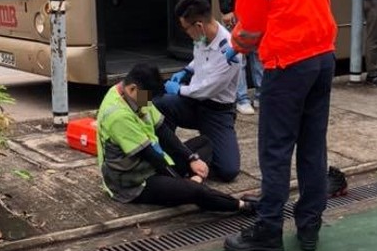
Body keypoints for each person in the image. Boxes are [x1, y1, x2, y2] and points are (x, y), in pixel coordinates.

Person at [222, 0, 337, 251]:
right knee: (312, 145)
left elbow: (251, 24)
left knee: (276, 148)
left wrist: (235, 45)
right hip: (323, 57)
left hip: (287, 62)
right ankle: (309, 227)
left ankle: (269, 230)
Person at [97, 63, 257, 213]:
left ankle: (190, 180)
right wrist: (183, 184)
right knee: (196, 191)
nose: (149, 103)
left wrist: (191, 158)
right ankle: (243, 205)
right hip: (134, 182)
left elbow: (163, 132)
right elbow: (152, 157)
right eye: (148, 98)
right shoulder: (117, 114)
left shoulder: (133, 93)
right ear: (133, 89)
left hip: (152, 162)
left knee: (205, 143)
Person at [153, 0, 242, 182]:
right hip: (193, 104)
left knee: (228, 171)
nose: (186, 33)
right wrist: (187, 70)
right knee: (158, 103)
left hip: (217, 111)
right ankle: (165, 155)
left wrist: (178, 89)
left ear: (199, 26)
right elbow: (200, 59)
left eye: (186, 28)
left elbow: (206, 90)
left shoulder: (230, 50)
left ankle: (189, 160)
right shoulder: (202, 37)